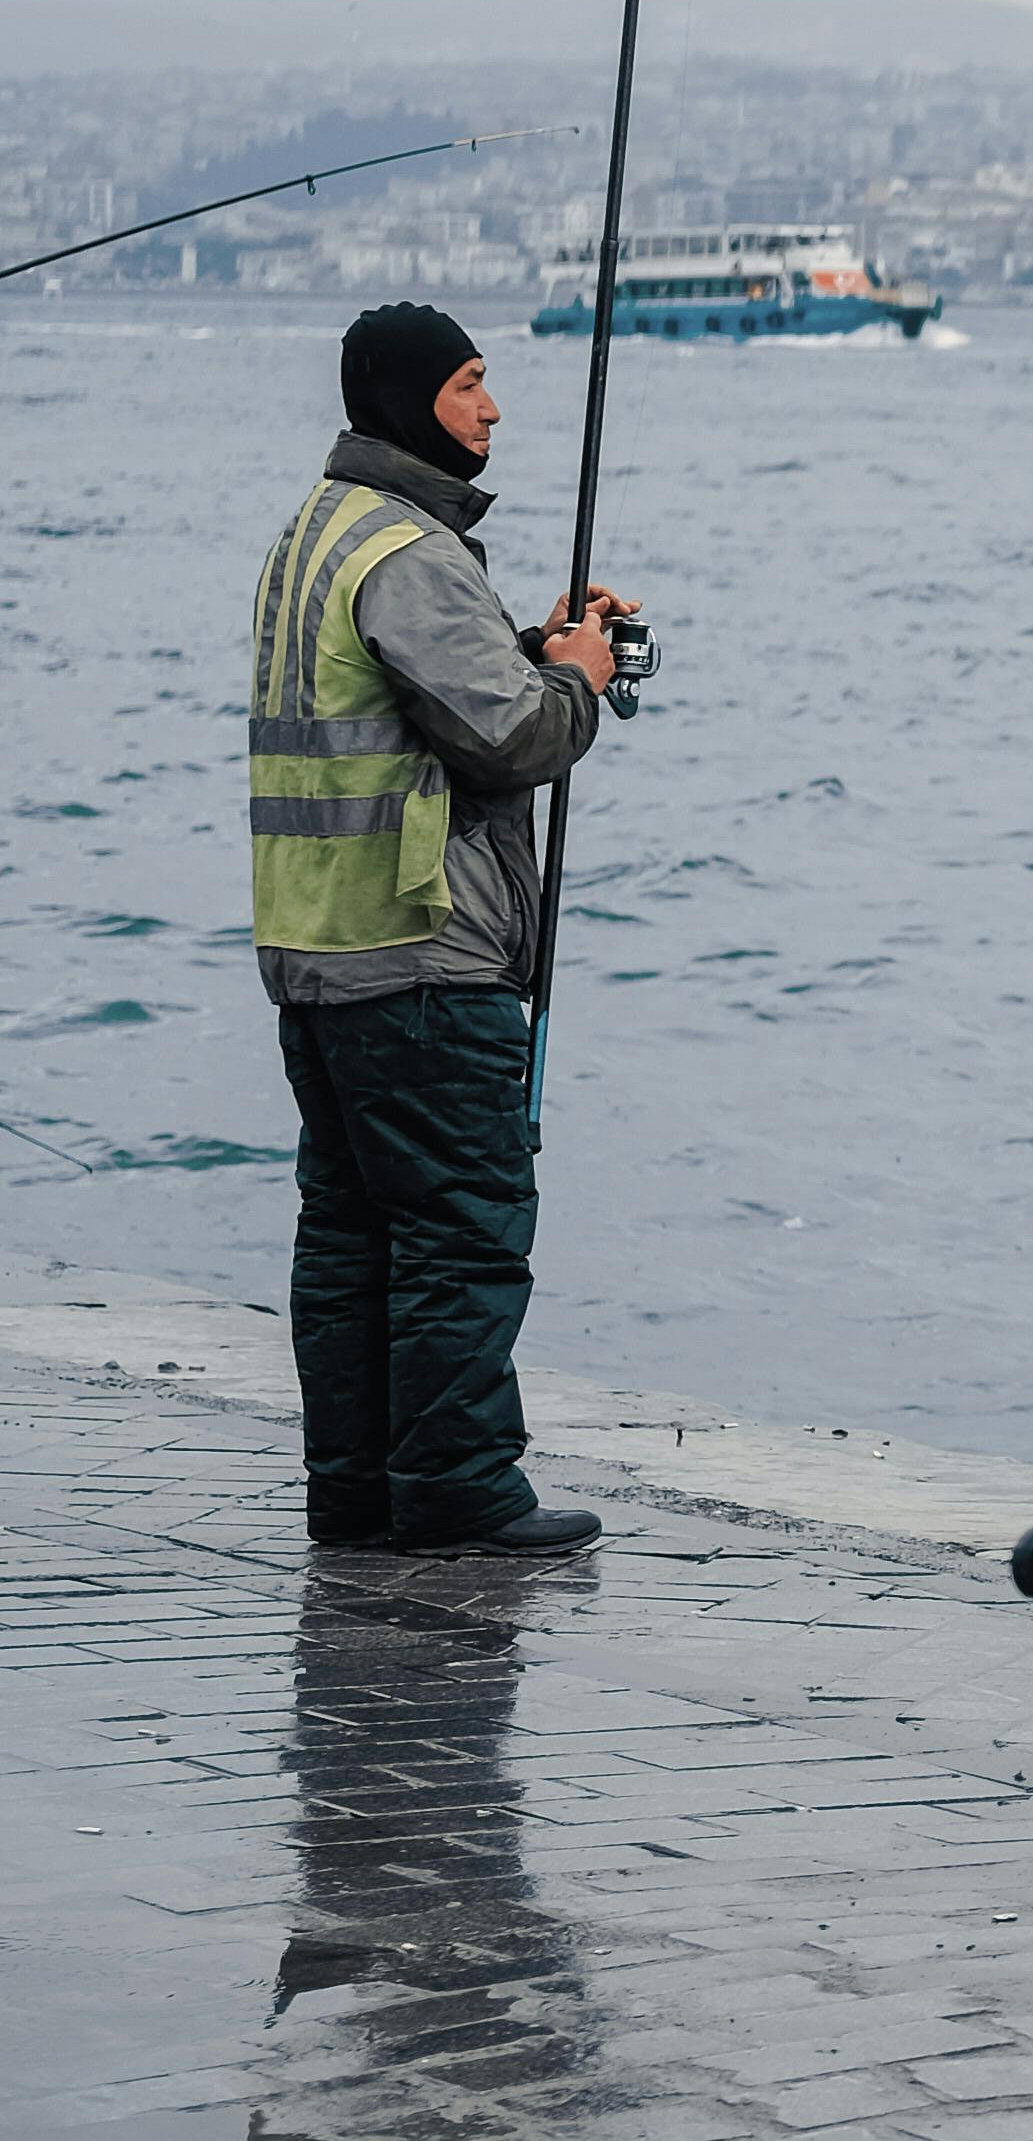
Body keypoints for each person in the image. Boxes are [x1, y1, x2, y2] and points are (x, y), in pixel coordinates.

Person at [252, 302, 626, 1557]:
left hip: (318, 952)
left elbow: (403, 696)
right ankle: (461, 1490)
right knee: (464, 1229)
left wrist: (532, 645)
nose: (493, 407)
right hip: (425, 954)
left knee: (353, 1241)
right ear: (418, 402)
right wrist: (578, 678)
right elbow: (513, 737)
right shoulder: (408, 551)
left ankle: (356, 1494)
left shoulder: (319, 532)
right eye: (471, 384)